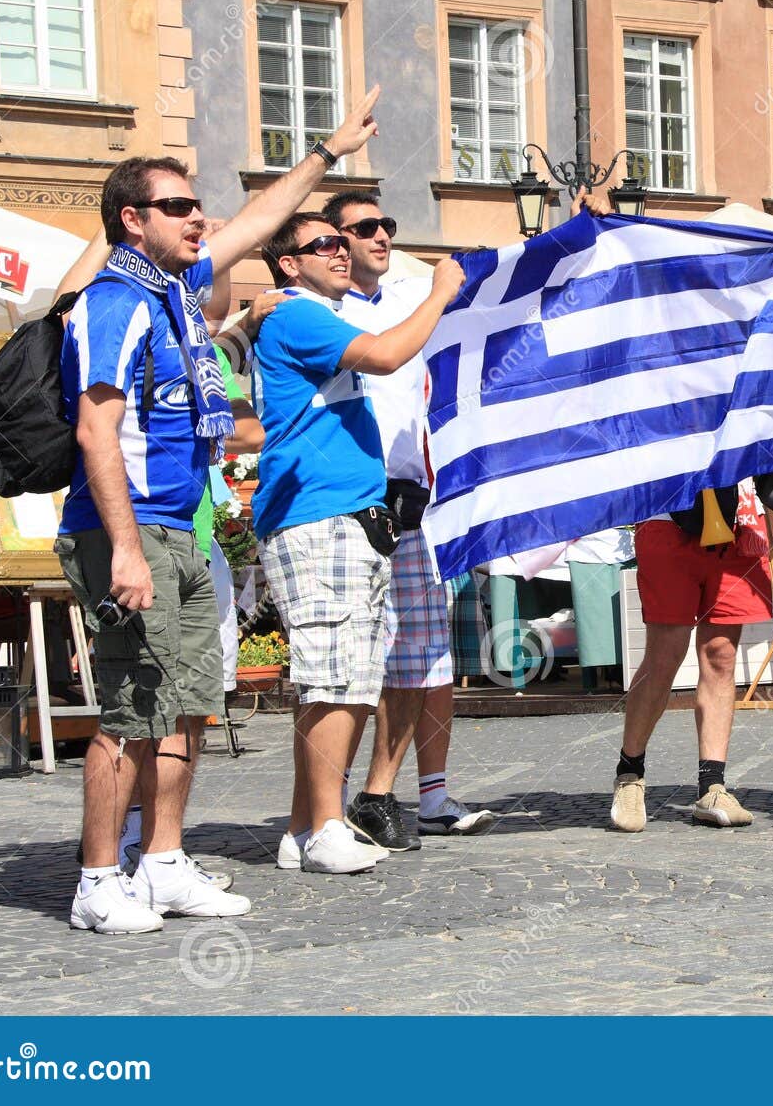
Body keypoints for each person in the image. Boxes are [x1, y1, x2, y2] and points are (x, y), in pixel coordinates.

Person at [57, 87, 384, 933]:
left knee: (190, 703)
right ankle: (98, 879)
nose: (200, 218)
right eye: (178, 207)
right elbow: (97, 433)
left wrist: (327, 152)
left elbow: (254, 219)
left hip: (182, 527)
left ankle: (161, 861)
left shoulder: (176, 289)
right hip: (124, 530)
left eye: (197, 204)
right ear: (132, 220)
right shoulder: (115, 300)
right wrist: (125, 550)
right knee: (130, 709)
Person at [252, 211, 464, 874]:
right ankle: (325, 826)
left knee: (343, 675)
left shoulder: (309, 312)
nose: (342, 251)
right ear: (289, 262)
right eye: (324, 243)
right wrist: (438, 295)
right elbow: (388, 352)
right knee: (335, 680)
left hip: (346, 514)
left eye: (342, 243)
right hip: (321, 515)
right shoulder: (297, 313)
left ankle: (302, 826)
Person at [323, 189, 495, 844]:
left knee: (426, 657)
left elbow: (486, 292)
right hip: (346, 504)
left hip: (414, 503)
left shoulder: (406, 296)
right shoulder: (316, 310)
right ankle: (332, 806)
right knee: (349, 663)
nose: (381, 235)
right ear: (332, 242)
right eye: (363, 227)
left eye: (386, 224)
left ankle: (426, 794)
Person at [610, 479, 773, 832]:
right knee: (664, 656)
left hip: (739, 517)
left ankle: (712, 785)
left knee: (721, 655)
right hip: (668, 515)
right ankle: (629, 774)